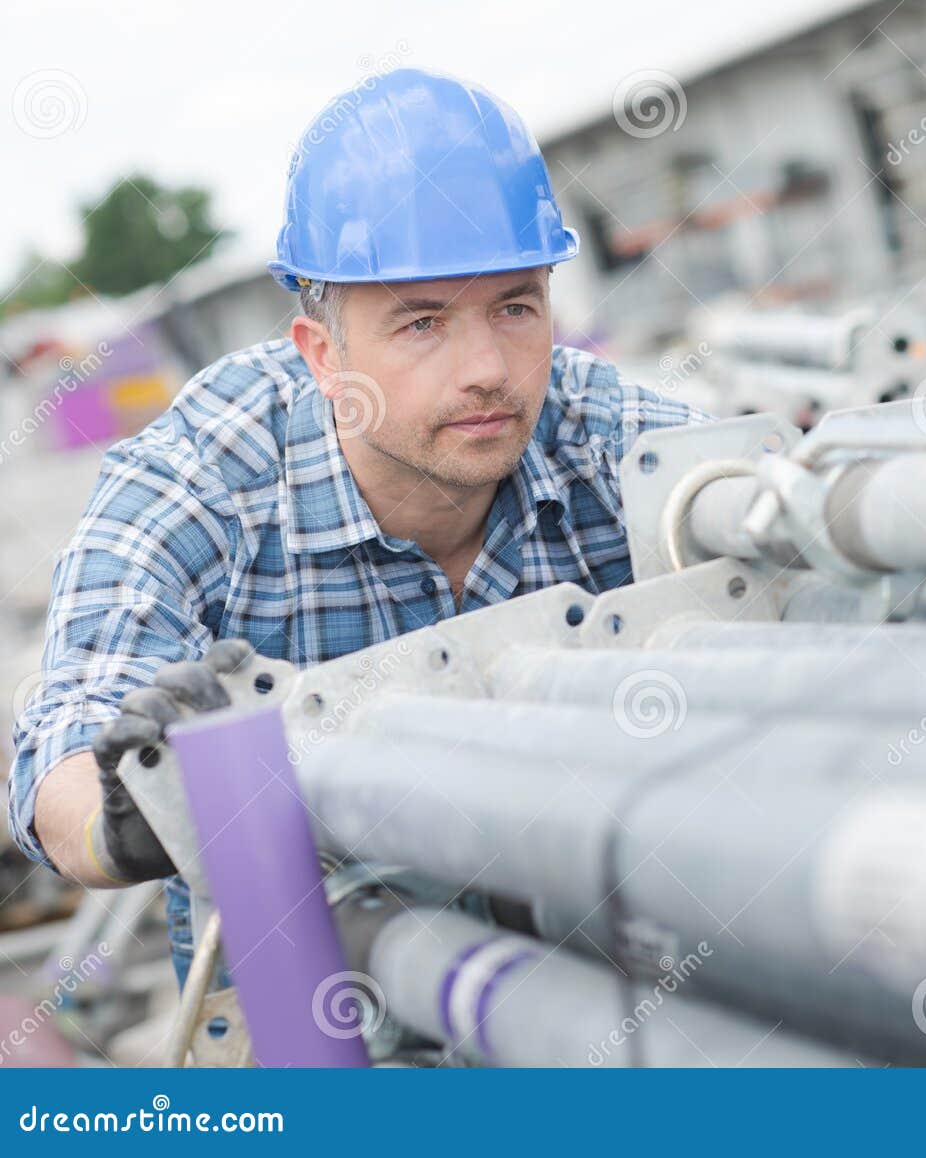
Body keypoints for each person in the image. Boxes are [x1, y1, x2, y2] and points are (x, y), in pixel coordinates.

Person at [7, 68, 712, 991]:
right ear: (323, 355)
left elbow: (768, 511)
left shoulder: (610, 439)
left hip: (600, 1004)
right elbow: (64, 739)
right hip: (316, 1024)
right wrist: (126, 816)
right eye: (422, 323)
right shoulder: (203, 483)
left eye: (515, 306)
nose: (487, 369)